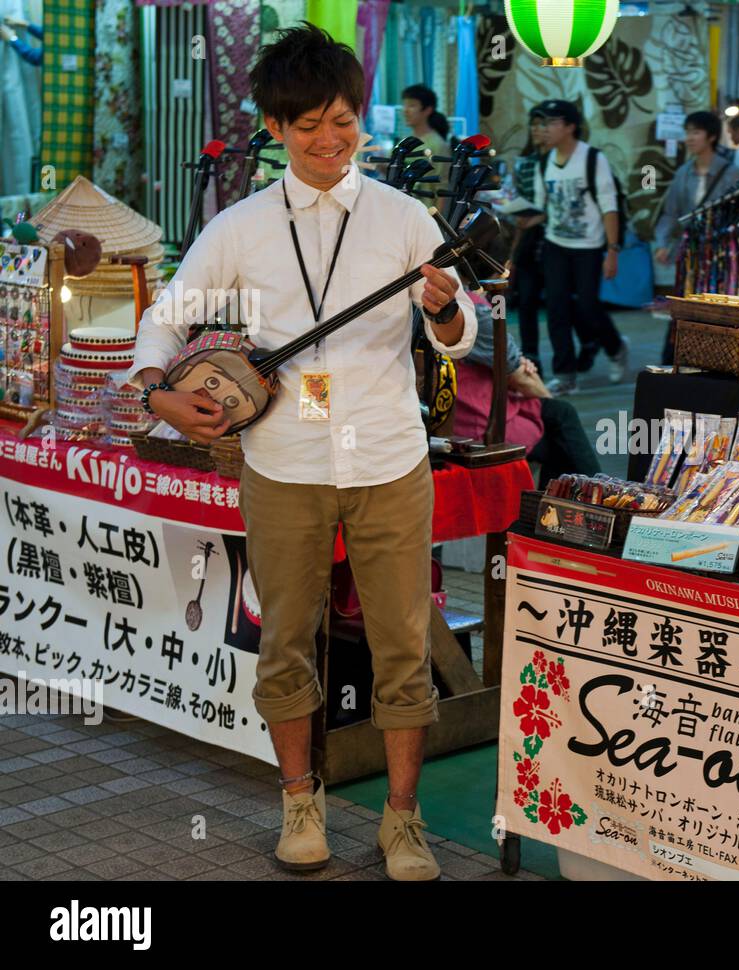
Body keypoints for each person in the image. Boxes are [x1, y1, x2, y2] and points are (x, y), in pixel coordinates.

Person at [128, 24, 477, 882]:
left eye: (344, 121)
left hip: (389, 459)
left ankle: (403, 818)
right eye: (310, 125)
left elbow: (461, 334)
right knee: (286, 637)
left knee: (402, 643)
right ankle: (299, 804)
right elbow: (168, 316)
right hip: (283, 461)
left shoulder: (403, 216)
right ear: (275, 128)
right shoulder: (242, 226)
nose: (330, 141)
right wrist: (156, 390)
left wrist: (442, 310)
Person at [531, 98, 629, 396]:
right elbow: (541, 208)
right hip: (555, 244)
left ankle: (615, 347)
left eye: (551, 123)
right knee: (556, 309)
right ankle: (565, 375)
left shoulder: (592, 159)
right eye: (542, 123)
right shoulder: (544, 162)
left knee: (588, 306)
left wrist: (612, 251)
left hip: (589, 245)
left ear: (570, 126)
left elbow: (609, 206)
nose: (544, 129)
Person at [453, 296, 601, 489]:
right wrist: (516, 364)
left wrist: (516, 363)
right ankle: (599, 494)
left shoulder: (470, 304)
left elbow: (510, 362)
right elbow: (517, 375)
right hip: (474, 418)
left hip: (468, 406)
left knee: (560, 417)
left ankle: (580, 497)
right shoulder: (474, 309)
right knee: (560, 430)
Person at [654, 111, 739, 363]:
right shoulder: (683, 173)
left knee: (715, 308)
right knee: (685, 304)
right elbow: (671, 213)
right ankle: (676, 359)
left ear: (711, 136)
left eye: (696, 132)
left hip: (721, 257)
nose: (689, 138)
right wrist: (663, 243)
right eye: (687, 132)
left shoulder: (732, 173)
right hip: (690, 255)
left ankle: (713, 358)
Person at [505, 108, 549, 374]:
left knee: (562, 303)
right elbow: (518, 198)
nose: (537, 130)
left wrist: (540, 217)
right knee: (527, 299)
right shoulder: (526, 163)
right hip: (529, 236)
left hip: (553, 236)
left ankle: (596, 345)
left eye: (543, 125)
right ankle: (532, 355)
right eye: (534, 125)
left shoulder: (560, 161)